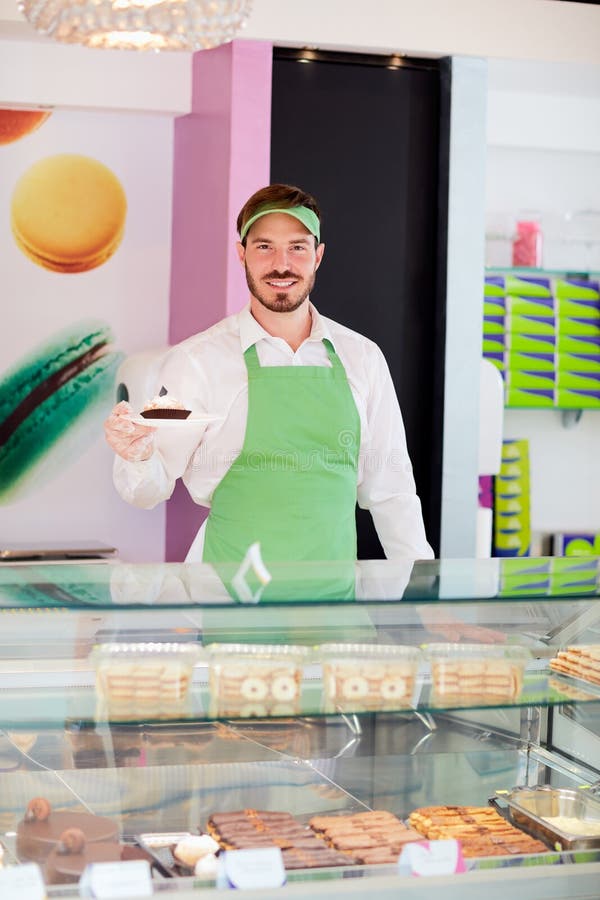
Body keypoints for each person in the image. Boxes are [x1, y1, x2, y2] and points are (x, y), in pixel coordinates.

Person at [104, 184, 434, 569]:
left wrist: (424, 590)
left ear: (318, 256)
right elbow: (148, 489)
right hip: (228, 603)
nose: (282, 264)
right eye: (264, 247)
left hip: (332, 604)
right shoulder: (198, 361)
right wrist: (137, 455)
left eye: (297, 247)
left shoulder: (362, 358)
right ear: (241, 253)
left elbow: (392, 492)